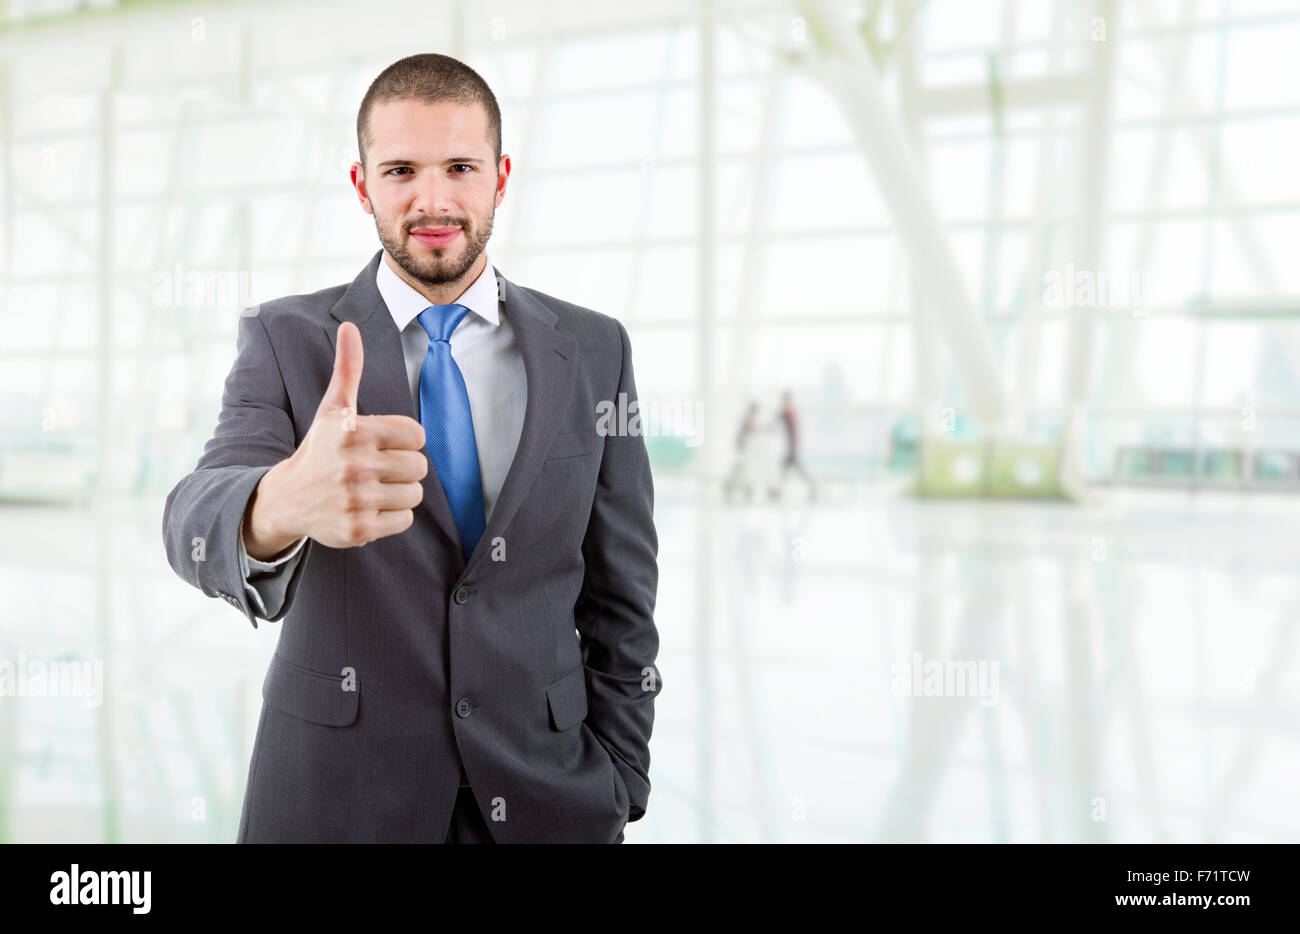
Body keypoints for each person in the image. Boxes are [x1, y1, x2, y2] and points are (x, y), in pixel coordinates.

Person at [161, 53, 661, 844]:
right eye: (400, 170)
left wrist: (623, 780)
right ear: (363, 185)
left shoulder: (596, 350)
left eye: (460, 167)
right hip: (335, 804)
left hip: (549, 800)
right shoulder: (288, 340)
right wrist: (287, 498)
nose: (433, 200)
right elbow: (193, 515)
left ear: (500, 175)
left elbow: (622, 593)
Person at [772, 389, 816, 501]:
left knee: (791, 468)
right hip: (791, 445)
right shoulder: (789, 411)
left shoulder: (788, 412)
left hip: (791, 446)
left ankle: (779, 490)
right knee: (789, 468)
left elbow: (777, 421)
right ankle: (779, 490)